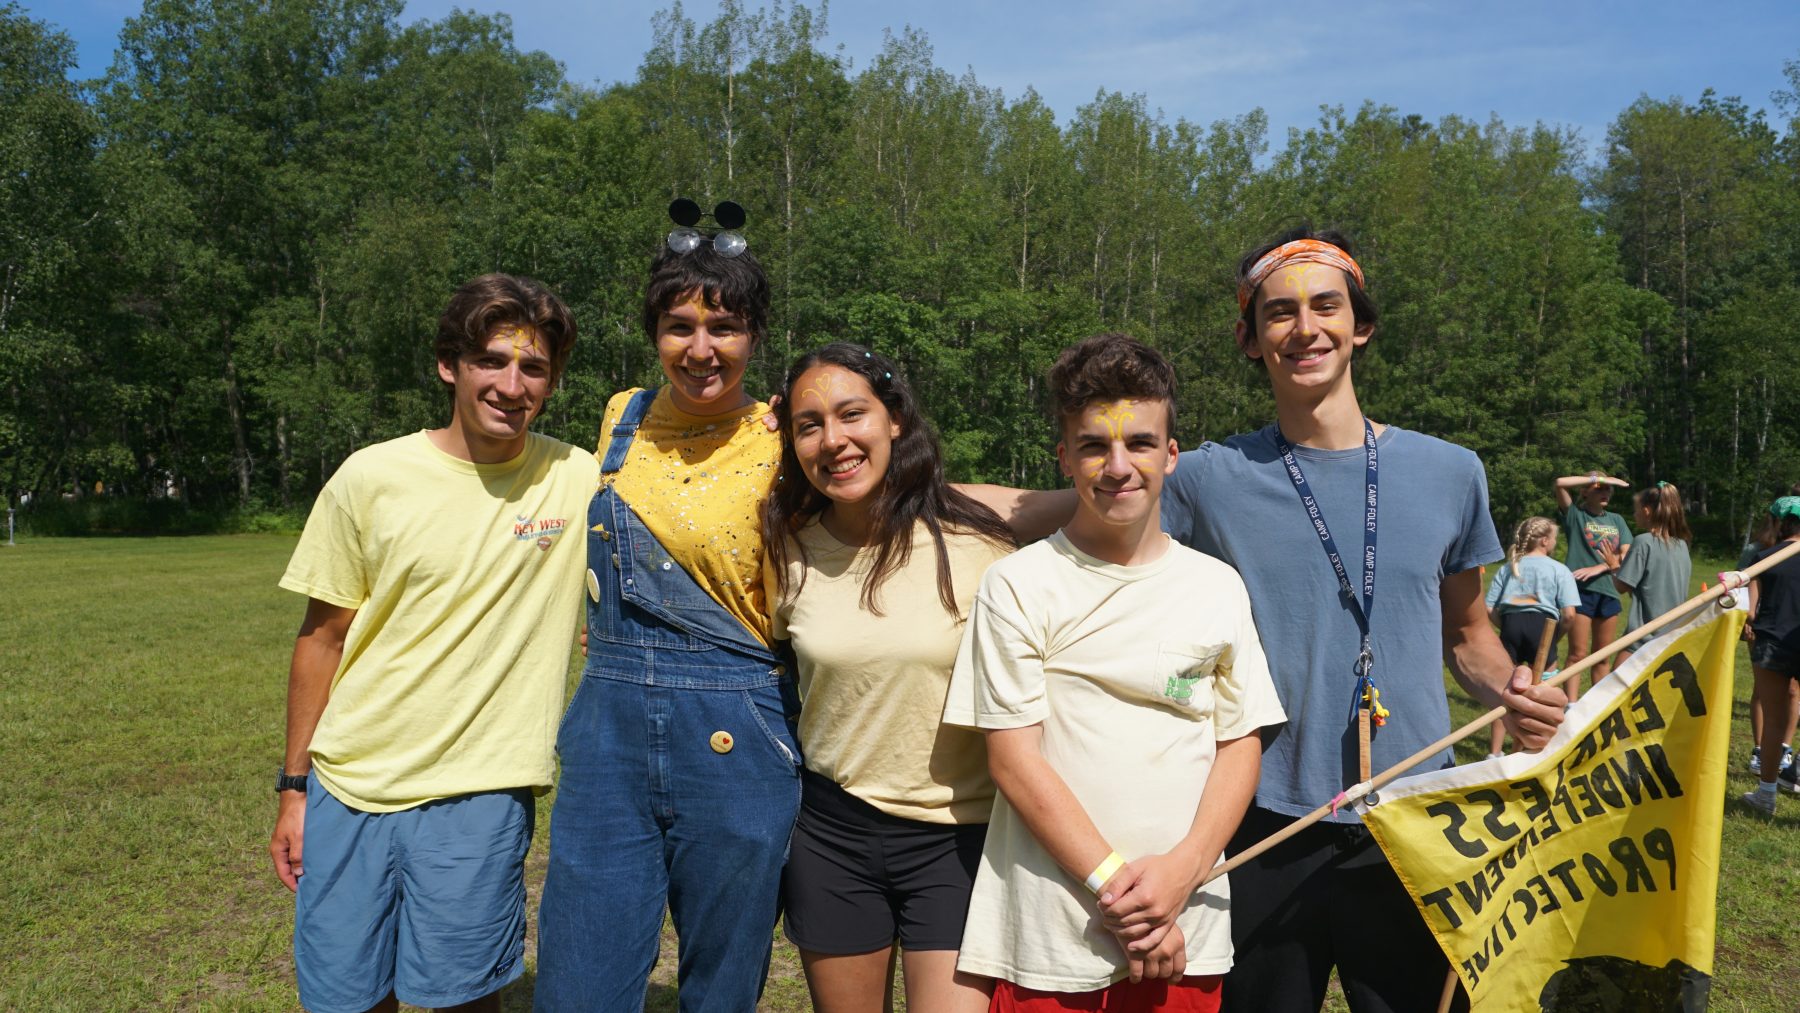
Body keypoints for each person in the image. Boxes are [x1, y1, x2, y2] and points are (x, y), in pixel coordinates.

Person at [1156, 228, 1568, 1013]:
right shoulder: (1210, 477)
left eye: (1325, 305)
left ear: (1361, 324)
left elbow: (1466, 634)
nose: (1304, 327)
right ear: (1251, 339)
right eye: (1278, 312)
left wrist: (1514, 690)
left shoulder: (1451, 471)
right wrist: (911, 497)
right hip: (1266, 822)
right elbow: (1081, 515)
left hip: (1417, 821)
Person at [271, 274, 593, 1013]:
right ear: (450, 364)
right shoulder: (371, 477)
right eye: (491, 361)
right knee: (347, 998)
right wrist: (294, 789)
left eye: (533, 367)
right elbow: (322, 638)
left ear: (550, 382)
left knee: (464, 998)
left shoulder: (576, 477)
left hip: (479, 792)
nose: (511, 384)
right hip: (350, 784)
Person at [946, 333, 1287, 1012]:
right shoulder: (1019, 584)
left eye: (1138, 442)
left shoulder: (1216, 586)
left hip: (1187, 928)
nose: (1118, 464)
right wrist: (1122, 893)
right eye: (1095, 445)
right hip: (1053, 936)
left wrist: (1184, 870)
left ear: (1171, 455)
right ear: (1065, 456)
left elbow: (1239, 742)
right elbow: (1015, 759)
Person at [534, 235, 802, 1011]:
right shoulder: (623, 415)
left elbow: (899, 477)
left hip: (739, 724)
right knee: (580, 972)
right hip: (606, 725)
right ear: (655, 333)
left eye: (724, 326)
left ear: (754, 335)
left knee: (723, 979)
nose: (701, 347)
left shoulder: (787, 433)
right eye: (679, 325)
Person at [764, 342, 1015, 1013]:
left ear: (895, 417)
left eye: (853, 414)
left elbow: (1091, 496)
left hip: (958, 835)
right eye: (809, 424)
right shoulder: (784, 547)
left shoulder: (982, 543)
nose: (834, 440)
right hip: (833, 833)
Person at [1482, 516, 1580, 758]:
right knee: (1544, 689)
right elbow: (1569, 614)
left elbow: (1488, 608)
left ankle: (1495, 753)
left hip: (1511, 626)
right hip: (1543, 629)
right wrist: (1557, 637)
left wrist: (1505, 626)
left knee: (1506, 690)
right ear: (1546, 541)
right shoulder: (1559, 569)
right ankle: (1538, 751)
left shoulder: (1509, 567)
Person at [1552, 471, 1635, 700]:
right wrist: (1596, 479)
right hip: (1580, 591)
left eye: (1608, 488)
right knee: (1577, 654)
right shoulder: (1576, 516)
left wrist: (1600, 568)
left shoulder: (1617, 520)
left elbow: (1626, 555)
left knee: (1602, 656)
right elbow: (1560, 482)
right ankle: (1571, 706)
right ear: (1585, 491)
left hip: (1609, 591)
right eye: (1599, 488)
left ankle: (1597, 707)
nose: (1605, 491)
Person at [1742, 496, 1800, 815]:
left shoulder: (1763, 558)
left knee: (1773, 720)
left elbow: (1750, 613)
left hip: (1772, 643)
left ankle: (1766, 795)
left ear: (1779, 523)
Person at [1613, 481, 1694, 653]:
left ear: (1646, 511)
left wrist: (1613, 566)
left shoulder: (1643, 542)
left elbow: (1621, 586)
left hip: (1643, 637)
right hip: (1671, 634)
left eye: (1636, 510)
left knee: (1617, 679)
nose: (1634, 515)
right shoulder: (1682, 545)